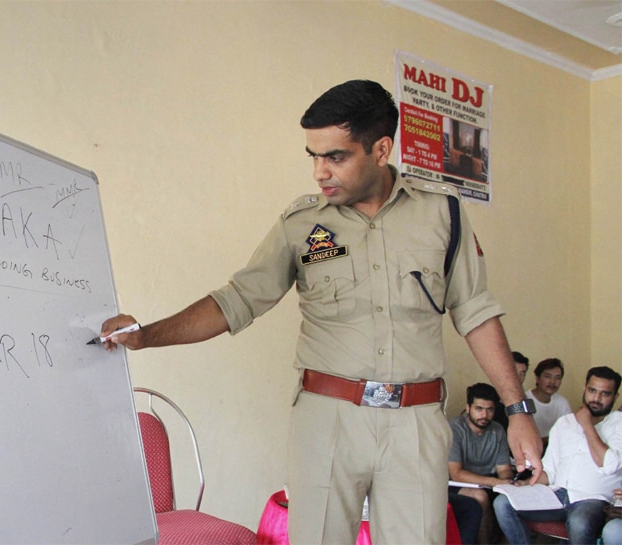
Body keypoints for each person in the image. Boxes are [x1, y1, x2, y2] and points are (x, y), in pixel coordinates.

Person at [98, 79, 543, 544]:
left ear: (381, 149)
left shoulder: (442, 214)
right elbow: (237, 300)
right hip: (327, 420)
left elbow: (475, 313)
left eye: (336, 156)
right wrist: (148, 335)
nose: (320, 172)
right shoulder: (302, 224)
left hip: (416, 423)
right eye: (313, 156)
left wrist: (518, 411)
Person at [494, 366, 622, 545]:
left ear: (615, 397)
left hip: (594, 498)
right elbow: (550, 471)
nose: (596, 399)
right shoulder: (565, 423)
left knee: (579, 523)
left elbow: (608, 465)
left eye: (605, 394)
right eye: (592, 391)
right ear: (585, 389)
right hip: (557, 493)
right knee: (503, 503)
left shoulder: (618, 424)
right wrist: (526, 483)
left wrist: (586, 425)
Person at [449, 383, 512, 544]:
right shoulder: (455, 428)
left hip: (487, 481)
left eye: (489, 409)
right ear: (468, 408)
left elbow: (504, 469)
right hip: (454, 483)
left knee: (512, 496)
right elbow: (456, 473)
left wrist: (507, 484)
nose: (484, 415)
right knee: (481, 497)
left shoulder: (497, 430)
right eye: (479, 409)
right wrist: (495, 482)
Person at [526, 358, 572, 446]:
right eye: (547, 376)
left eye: (557, 378)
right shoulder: (525, 400)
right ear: (537, 379)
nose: (553, 382)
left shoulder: (562, 402)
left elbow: (568, 432)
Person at [495, 351, 530, 429]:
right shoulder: (490, 398)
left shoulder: (524, 401)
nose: (518, 378)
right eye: (514, 372)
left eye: (522, 373)